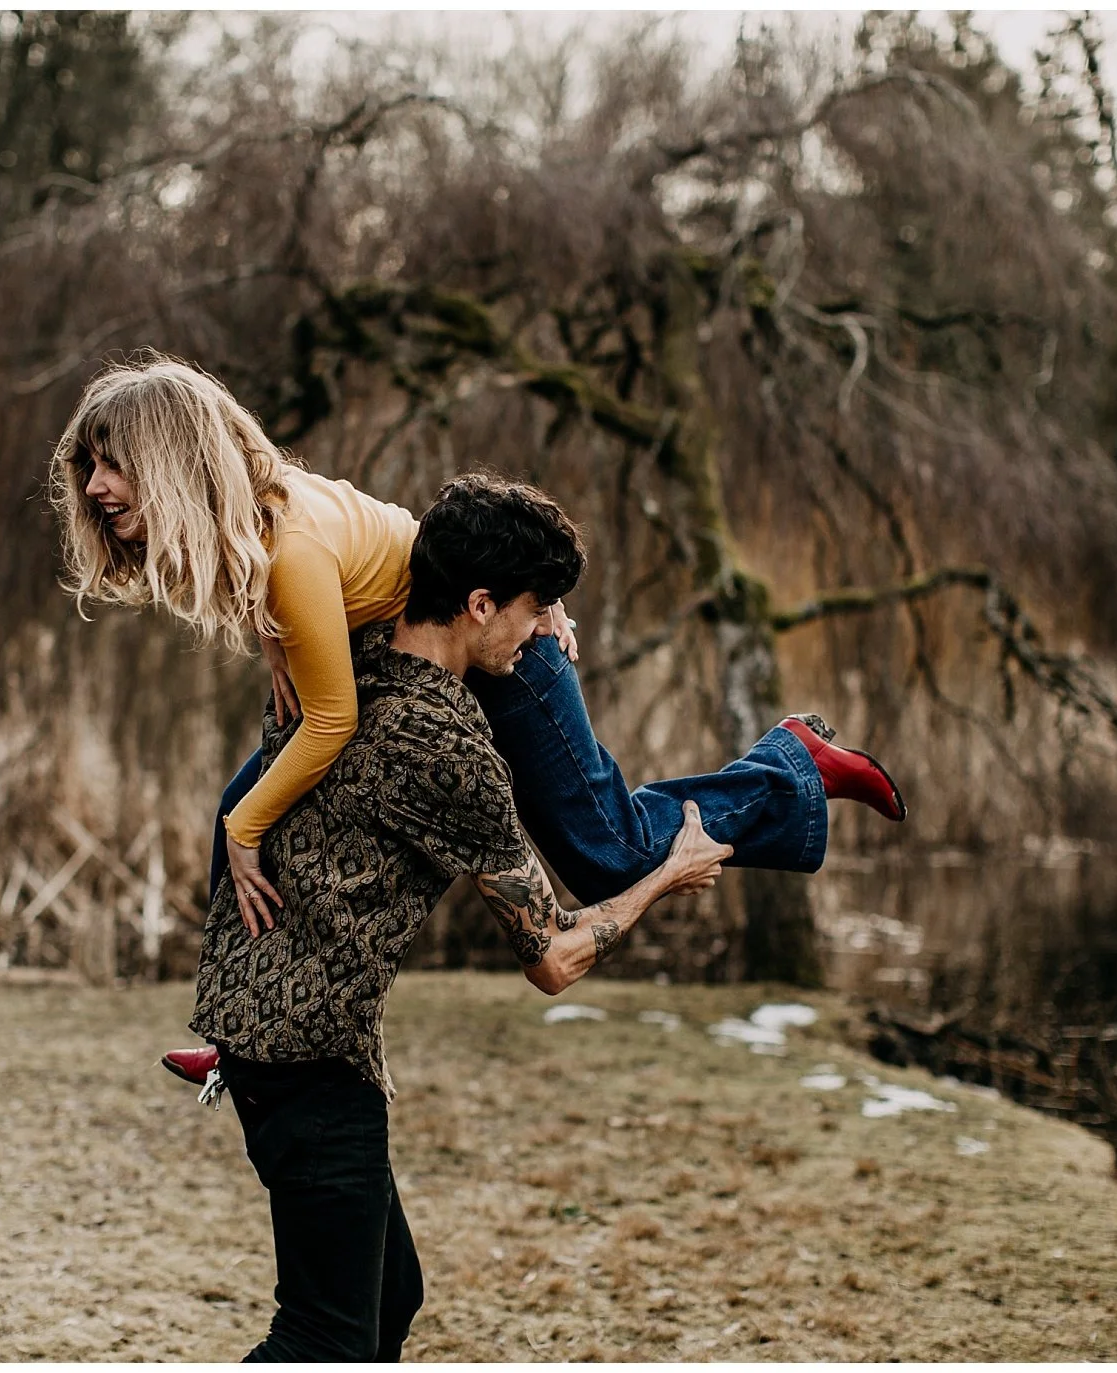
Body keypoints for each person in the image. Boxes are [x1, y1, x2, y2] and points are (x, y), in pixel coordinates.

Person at [46, 351, 906, 1084]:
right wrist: (273, 650)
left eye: (112, 463)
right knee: (246, 809)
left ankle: (791, 765)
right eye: (89, 463)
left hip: (505, 655)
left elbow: (335, 714)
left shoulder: (289, 549)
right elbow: (392, 550)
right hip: (431, 650)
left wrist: (543, 600)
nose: (95, 485)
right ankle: (241, 1038)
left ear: (171, 460)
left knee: (612, 853)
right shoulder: (257, 519)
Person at [187, 474, 733, 1360]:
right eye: (533, 611)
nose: (540, 638)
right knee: (324, 1332)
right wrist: (664, 875)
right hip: (308, 1061)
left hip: (265, 1033)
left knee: (390, 1297)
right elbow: (552, 956)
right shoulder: (451, 752)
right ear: (477, 603)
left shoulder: (343, 654)